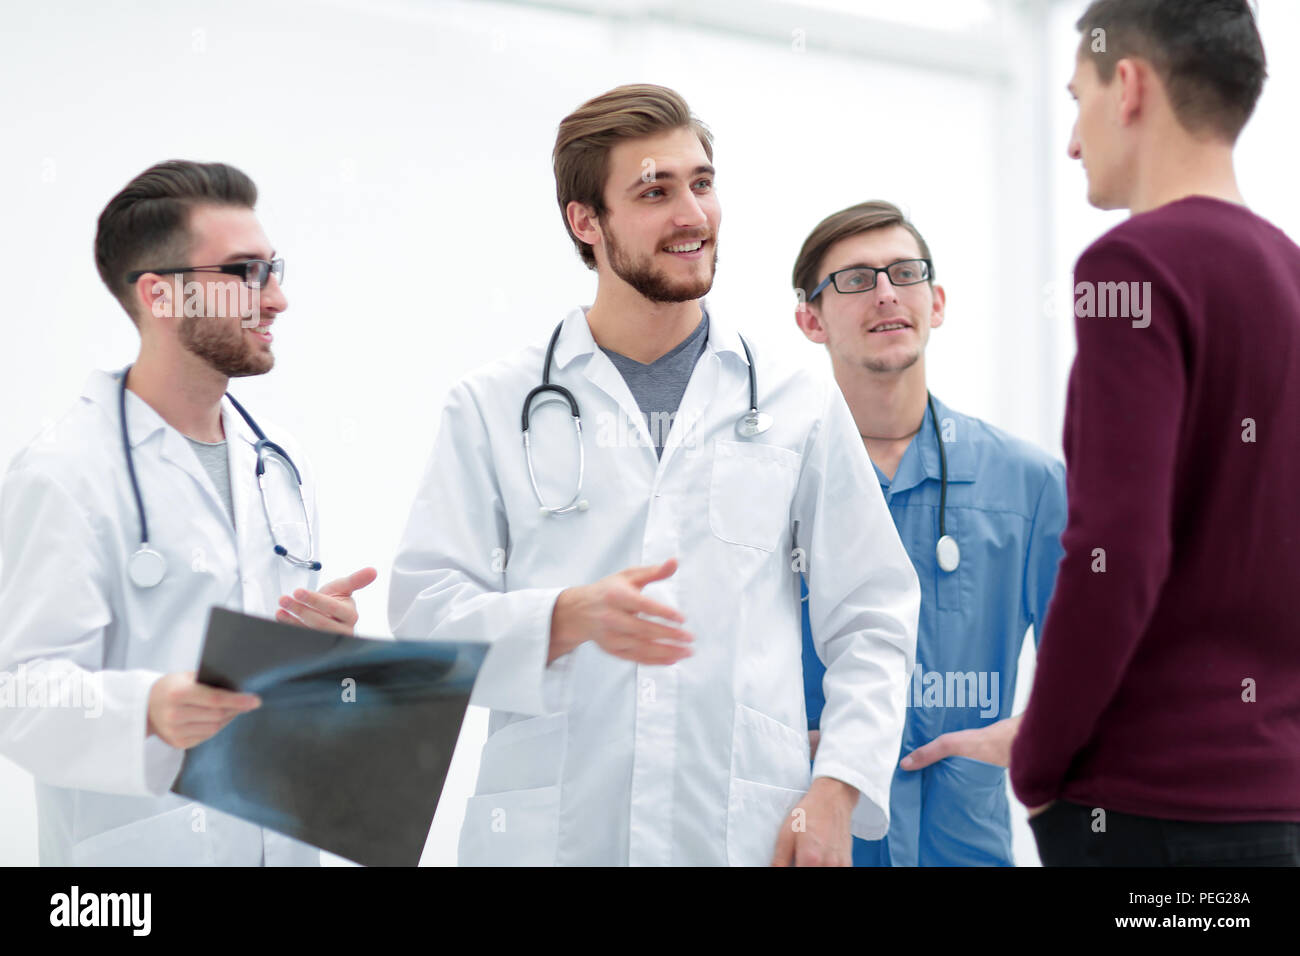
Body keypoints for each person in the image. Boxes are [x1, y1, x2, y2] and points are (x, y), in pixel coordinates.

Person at [389, 84, 919, 867]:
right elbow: (425, 616)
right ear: (585, 221)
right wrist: (563, 617)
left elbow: (873, 612)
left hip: (739, 831)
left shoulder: (793, 401)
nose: (692, 216)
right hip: (555, 836)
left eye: (701, 183)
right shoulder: (492, 405)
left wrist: (836, 791)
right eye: (654, 191)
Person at [0, 160, 376, 865]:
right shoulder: (65, 473)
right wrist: (147, 708)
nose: (277, 300)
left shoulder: (277, 461)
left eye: (275, 269)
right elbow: (20, 698)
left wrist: (325, 644)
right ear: (160, 296)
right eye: (245, 274)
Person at [1011, 0, 1300, 866]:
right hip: (1274, 805)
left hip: (1146, 814)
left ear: (1128, 85)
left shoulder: (1131, 266)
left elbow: (1116, 552)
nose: (1072, 140)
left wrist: (1037, 761)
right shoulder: (1291, 276)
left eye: (1076, 99)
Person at [793, 200, 1066, 866]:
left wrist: (1024, 739)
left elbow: (1103, 665)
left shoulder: (1026, 484)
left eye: (905, 273)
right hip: (807, 835)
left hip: (962, 842)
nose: (886, 293)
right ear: (811, 319)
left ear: (936, 301)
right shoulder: (777, 482)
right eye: (856, 280)